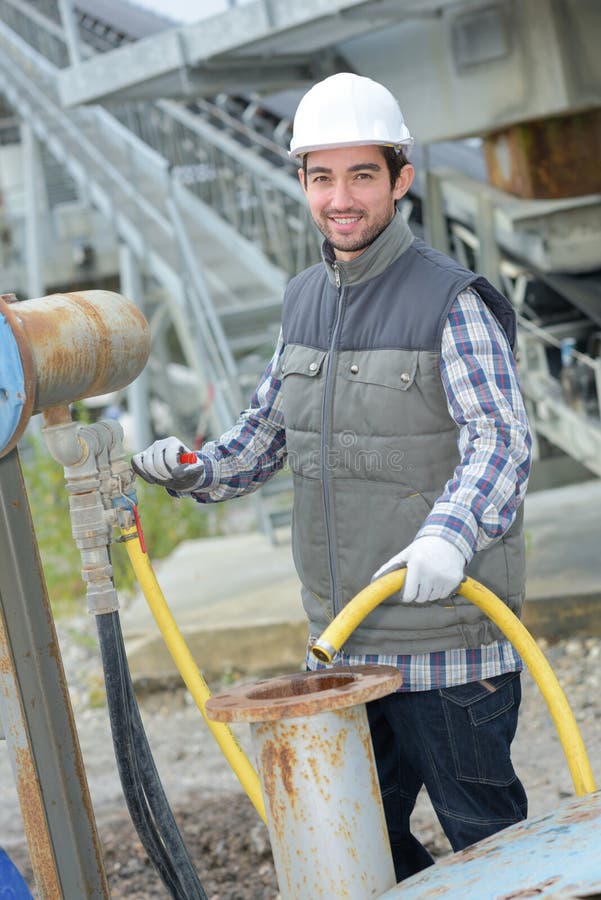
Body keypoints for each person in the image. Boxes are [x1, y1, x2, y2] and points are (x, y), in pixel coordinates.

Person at [132, 72, 531, 882]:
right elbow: (267, 434)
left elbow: (502, 440)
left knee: (492, 850)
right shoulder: (304, 301)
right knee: (353, 841)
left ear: (399, 181)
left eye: (361, 175)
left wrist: (447, 539)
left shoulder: (449, 301)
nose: (339, 198)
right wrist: (193, 469)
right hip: (342, 650)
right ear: (303, 182)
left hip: (449, 650)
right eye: (322, 177)